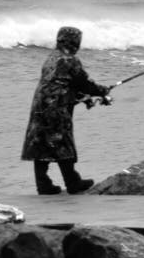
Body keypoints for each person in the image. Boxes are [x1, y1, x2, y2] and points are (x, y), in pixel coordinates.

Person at [21, 26, 110, 194]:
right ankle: (73, 182)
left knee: (41, 143)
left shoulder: (51, 58)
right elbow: (83, 82)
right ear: (73, 42)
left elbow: (65, 83)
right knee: (63, 143)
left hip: (40, 106)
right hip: (57, 108)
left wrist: (85, 96)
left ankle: (43, 185)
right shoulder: (70, 60)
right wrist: (102, 91)